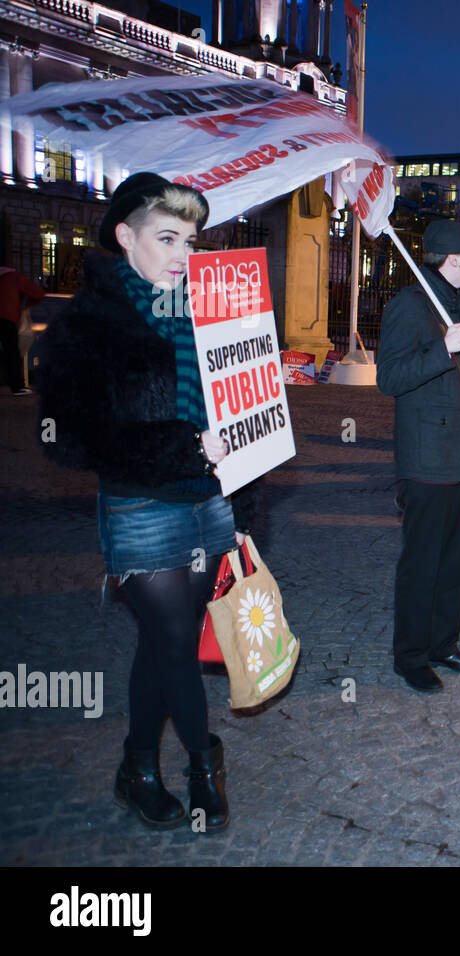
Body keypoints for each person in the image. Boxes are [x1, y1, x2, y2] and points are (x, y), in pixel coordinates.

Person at [34, 172, 254, 831]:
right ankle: (203, 763)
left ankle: (136, 767)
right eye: (167, 238)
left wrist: (245, 452)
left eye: (191, 239)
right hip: (141, 507)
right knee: (173, 643)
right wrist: (186, 448)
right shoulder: (88, 322)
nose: (184, 255)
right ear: (126, 236)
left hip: (208, 504)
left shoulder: (207, 306)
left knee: (162, 647)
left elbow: (242, 397)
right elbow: (69, 438)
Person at [378, 219, 460, 693]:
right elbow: (389, 377)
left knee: (453, 562)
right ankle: (409, 657)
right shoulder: (410, 307)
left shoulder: (458, 305)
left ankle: (443, 645)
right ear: (452, 260)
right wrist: (440, 349)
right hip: (427, 460)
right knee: (422, 563)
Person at [0, 265, 45, 394]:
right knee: (11, 352)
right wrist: (27, 305)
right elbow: (38, 293)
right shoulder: (14, 277)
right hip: (6, 317)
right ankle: (17, 387)